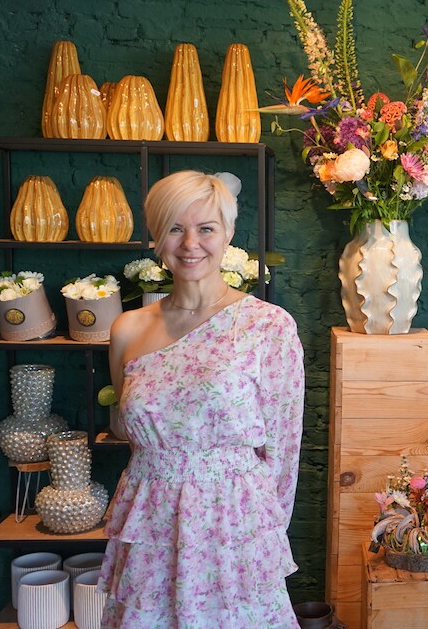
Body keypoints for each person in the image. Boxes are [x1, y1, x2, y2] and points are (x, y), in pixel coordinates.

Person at [97, 170, 305, 627]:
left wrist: (264, 535)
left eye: (206, 228)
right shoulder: (127, 328)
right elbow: (124, 426)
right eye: (175, 227)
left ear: (228, 233)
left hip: (232, 519)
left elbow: (284, 448)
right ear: (157, 237)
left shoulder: (267, 326)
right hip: (151, 515)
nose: (190, 243)